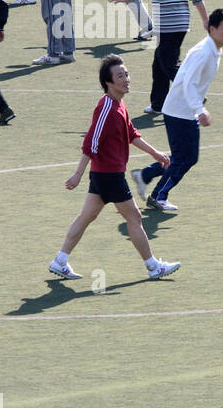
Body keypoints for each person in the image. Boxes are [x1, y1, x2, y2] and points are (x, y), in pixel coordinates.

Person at [47, 54, 180, 281]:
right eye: (120, 76)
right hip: (109, 176)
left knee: (86, 217)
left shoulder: (118, 104)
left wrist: (155, 153)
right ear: (109, 82)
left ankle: (59, 261)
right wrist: (78, 174)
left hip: (103, 175)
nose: (126, 79)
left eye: (126, 74)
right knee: (135, 218)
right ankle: (153, 267)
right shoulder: (106, 108)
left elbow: (131, 133)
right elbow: (91, 142)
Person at [131, 9, 223, 212]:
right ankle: (158, 196)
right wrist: (200, 108)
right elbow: (188, 83)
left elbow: (190, 79)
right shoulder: (204, 52)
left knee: (184, 156)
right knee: (185, 158)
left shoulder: (214, 49)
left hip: (185, 110)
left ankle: (145, 175)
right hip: (180, 111)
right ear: (212, 29)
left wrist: (199, 101)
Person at [109, 0, 208, 115]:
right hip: (181, 24)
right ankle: (158, 104)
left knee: (169, 64)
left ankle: (195, 94)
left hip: (169, 25)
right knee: (159, 63)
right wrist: (206, 21)